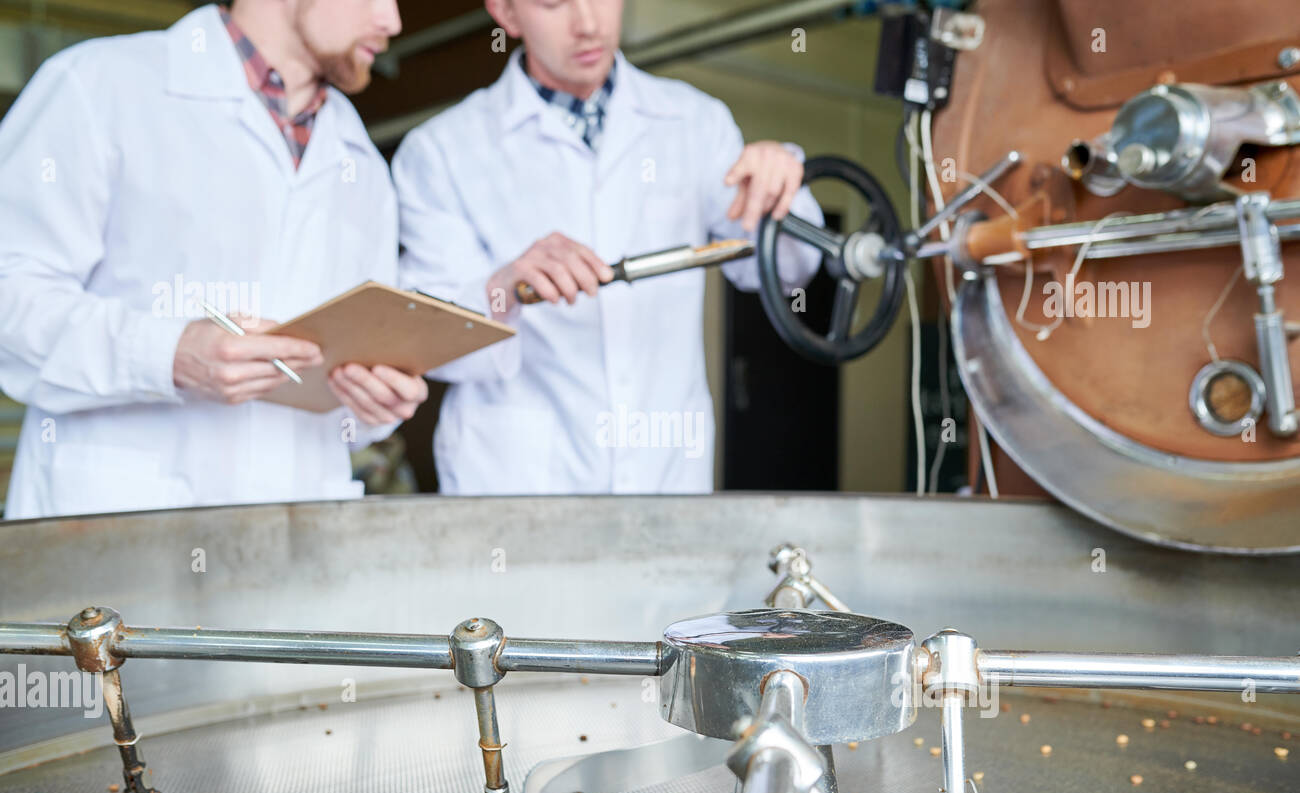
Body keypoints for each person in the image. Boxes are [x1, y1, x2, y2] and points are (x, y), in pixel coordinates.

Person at [0, 0, 428, 520]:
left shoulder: (359, 161)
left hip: (296, 534)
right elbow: (11, 292)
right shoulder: (98, 85)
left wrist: (375, 403)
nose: (392, 22)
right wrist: (167, 354)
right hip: (115, 523)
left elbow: (348, 389)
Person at [394, 0, 823, 495]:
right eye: (554, 3)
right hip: (514, 485)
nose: (589, 24)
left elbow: (788, 269)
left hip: (667, 475)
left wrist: (781, 192)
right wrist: (504, 287)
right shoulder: (441, 150)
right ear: (507, 14)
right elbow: (422, 340)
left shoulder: (695, 122)